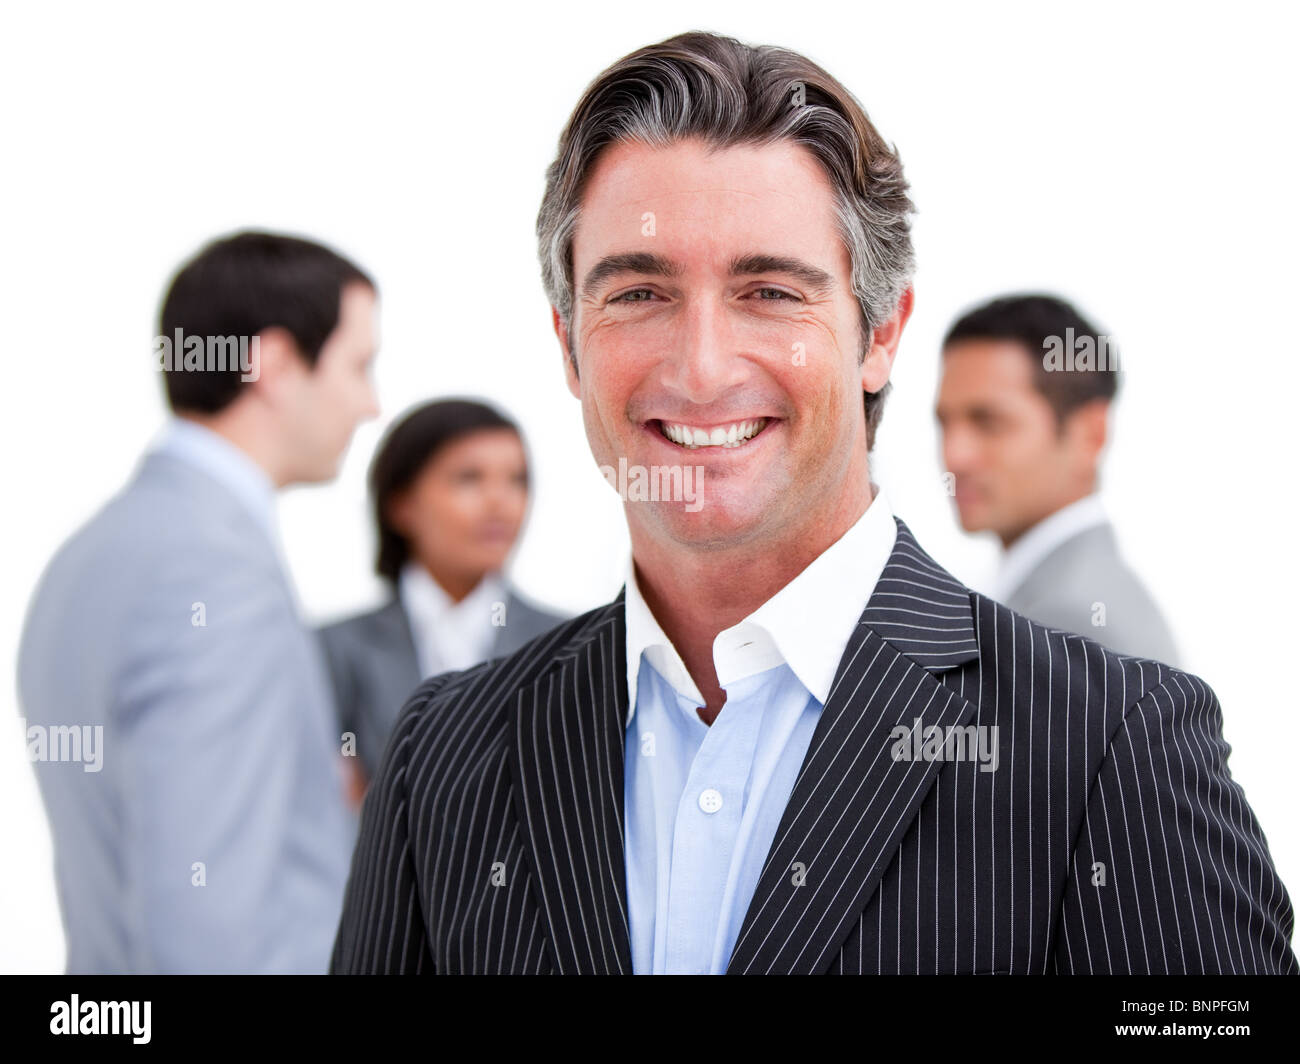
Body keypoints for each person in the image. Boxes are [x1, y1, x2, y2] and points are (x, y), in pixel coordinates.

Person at [331, 32, 1296, 975]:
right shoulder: (444, 754)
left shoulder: (1105, 743)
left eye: (769, 292)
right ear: (568, 342)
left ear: (881, 334)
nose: (702, 367)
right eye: (637, 294)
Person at [18, 231, 379, 973]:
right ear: (275, 364)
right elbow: (207, 931)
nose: (372, 405)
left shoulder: (92, 552)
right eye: (359, 366)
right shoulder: (211, 574)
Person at [319, 398, 568, 800]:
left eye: (517, 480)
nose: (499, 502)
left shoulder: (572, 644)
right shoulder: (332, 649)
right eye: (469, 478)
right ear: (401, 504)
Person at [935, 293, 1179, 664]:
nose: (955, 455)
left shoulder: (1070, 622)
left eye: (989, 423)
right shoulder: (1073, 596)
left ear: (1090, 434)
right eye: (944, 423)